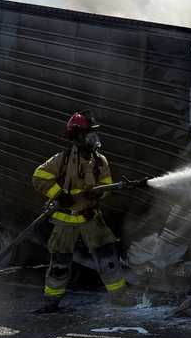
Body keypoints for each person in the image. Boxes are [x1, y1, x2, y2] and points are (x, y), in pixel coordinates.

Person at [31, 110, 130, 312]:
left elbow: (106, 185)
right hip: (65, 219)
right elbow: (39, 176)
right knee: (60, 263)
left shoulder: (100, 161)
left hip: (90, 217)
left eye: (94, 134)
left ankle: (119, 296)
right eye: (89, 134)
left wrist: (98, 194)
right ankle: (51, 302)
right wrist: (59, 195)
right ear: (77, 137)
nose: (94, 138)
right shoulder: (62, 159)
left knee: (107, 258)